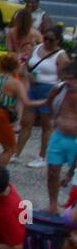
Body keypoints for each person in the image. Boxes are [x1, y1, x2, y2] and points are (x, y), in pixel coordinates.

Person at [0, 54, 44, 167]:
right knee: (10, 148)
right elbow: (27, 102)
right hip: (1, 113)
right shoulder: (15, 83)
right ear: (15, 67)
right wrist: (46, 101)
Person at [19, 29, 69, 169]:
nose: (46, 41)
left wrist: (55, 93)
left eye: (51, 40)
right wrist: (27, 75)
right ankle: (16, 153)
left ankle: (41, 156)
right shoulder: (36, 48)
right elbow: (26, 67)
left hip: (49, 89)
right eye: (45, 38)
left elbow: (64, 78)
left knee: (46, 125)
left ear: (58, 41)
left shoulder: (61, 56)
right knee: (26, 122)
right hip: (33, 87)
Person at [42, 62, 77, 215]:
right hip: (59, 135)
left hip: (75, 139)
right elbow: (49, 103)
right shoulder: (60, 89)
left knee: (75, 176)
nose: (67, 82)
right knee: (52, 172)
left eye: (71, 79)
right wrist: (54, 118)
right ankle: (53, 204)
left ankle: (73, 208)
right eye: (65, 78)